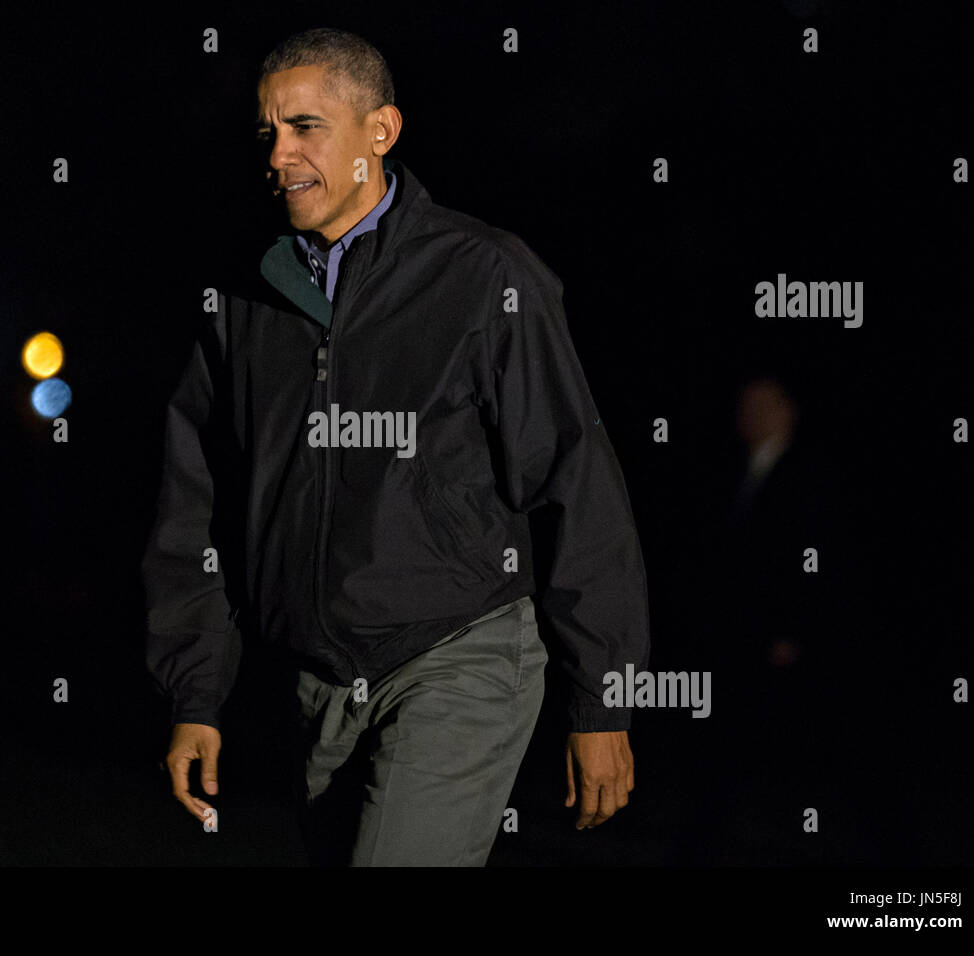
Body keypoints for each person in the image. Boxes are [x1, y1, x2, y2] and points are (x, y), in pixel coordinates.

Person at [142, 27, 651, 865]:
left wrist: (604, 700)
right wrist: (195, 691)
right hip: (317, 677)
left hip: (462, 650)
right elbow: (194, 505)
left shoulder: (484, 275)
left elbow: (576, 477)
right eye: (267, 132)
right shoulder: (243, 296)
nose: (280, 153)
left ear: (380, 132)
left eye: (306, 127)